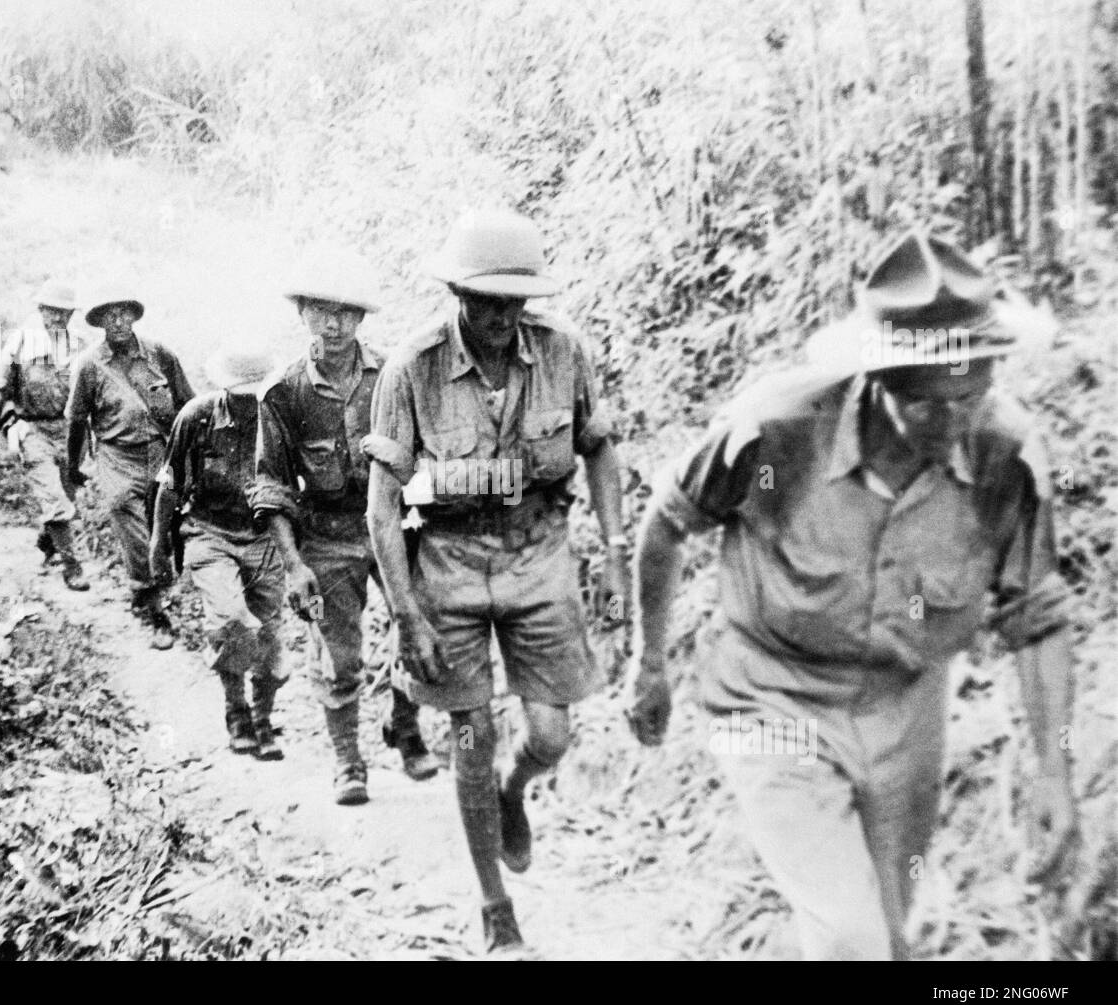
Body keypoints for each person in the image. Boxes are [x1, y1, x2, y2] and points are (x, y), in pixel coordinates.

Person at [626, 231, 1078, 960]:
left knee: (889, 936)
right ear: (881, 380)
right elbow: (668, 522)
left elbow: (1038, 618)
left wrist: (1054, 771)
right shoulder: (776, 433)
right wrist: (649, 664)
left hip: (907, 710)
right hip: (771, 698)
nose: (956, 420)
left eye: (975, 393)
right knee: (849, 938)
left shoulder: (1006, 457)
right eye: (933, 404)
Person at [366, 210, 629, 953]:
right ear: (455, 293)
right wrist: (406, 613)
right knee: (472, 733)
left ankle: (516, 791)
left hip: (539, 554)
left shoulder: (564, 352)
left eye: (513, 302)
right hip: (447, 563)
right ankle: (493, 901)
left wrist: (613, 551)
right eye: (484, 300)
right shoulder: (410, 369)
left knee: (551, 733)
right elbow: (383, 510)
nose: (499, 316)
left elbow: (601, 452)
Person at [253, 247, 440, 806]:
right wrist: (294, 566)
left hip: (397, 527)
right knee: (339, 655)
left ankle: (405, 726)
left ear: (361, 319)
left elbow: (427, 453)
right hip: (328, 535)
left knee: (426, 626)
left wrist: (431, 516)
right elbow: (272, 487)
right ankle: (347, 760)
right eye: (319, 311)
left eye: (345, 313)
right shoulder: (283, 393)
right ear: (302, 314)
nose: (332, 324)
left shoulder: (393, 376)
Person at [151, 348, 286, 757]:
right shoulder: (196, 416)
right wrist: (160, 540)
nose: (249, 403)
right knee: (230, 619)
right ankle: (236, 710)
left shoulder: (279, 418)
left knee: (268, 631)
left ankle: (263, 719)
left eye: (256, 393)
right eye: (240, 394)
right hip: (210, 532)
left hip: (265, 538)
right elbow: (171, 482)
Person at [65, 291, 194, 647]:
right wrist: (73, 465)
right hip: (116, 455)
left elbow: (188, 403)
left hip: (162, 452)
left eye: (124, 314)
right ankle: (151, 605)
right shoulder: (90, 365)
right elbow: (77, 420)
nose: (119, 322)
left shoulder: (159, 354)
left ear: (134, 317)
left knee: (162, 527)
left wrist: (198, 452)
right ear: (100, 322)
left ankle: (162, 576)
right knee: (126, 515)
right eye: (110, 316)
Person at [0, 280, 90, 591]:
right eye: (52, 311)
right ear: (41, 310)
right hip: (32, 428)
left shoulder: (80, 345)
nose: (58, 318)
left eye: (64, 313)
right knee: (55, 499)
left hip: (70, 431)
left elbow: (92, 394)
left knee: (67, 497)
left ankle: (48, 539)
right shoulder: (21, 342)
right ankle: (72, 565)